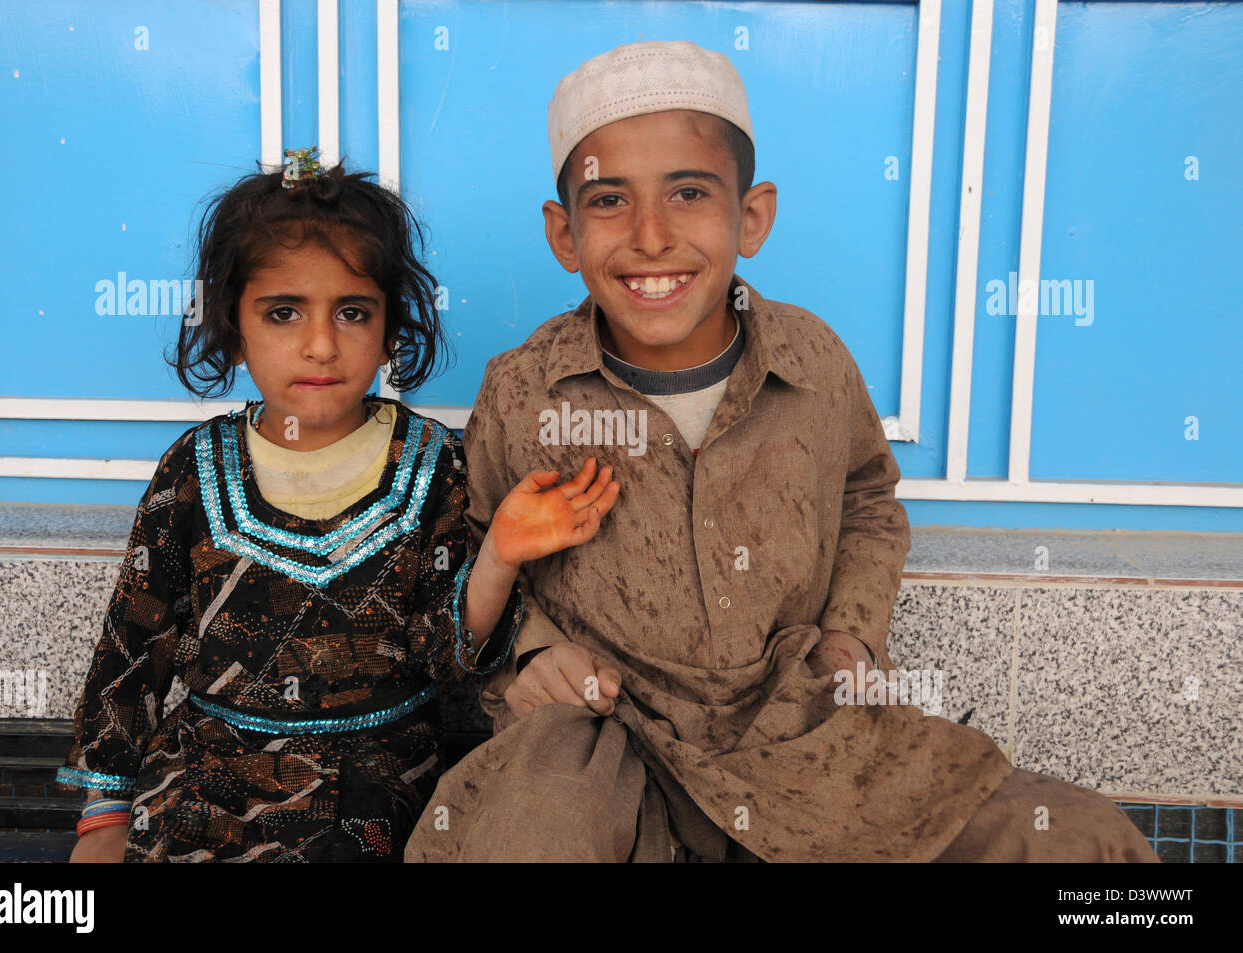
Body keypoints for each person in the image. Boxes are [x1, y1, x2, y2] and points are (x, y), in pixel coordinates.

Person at [403, 41, 1159, 862]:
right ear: (564, 233)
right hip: (609, 740)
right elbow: (478, 546)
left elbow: (867, 498)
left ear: (752, 215)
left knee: (1082, 847)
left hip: (805, 729)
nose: (651, 237)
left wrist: (853, 640)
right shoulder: (524, 391)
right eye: (609, 200)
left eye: (689, 193)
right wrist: (538, 648)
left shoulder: (814, 361)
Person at [57, 148, 619, 862]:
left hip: (372, 779)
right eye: (283, 312)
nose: (321, 345)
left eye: (353, 312)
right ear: (233, 327)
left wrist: (500, 554)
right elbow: (132, 652)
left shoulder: (430, 462)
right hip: (210, 772)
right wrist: (104, 813)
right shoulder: (191, 473)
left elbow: (449, 661)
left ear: (390, 327)